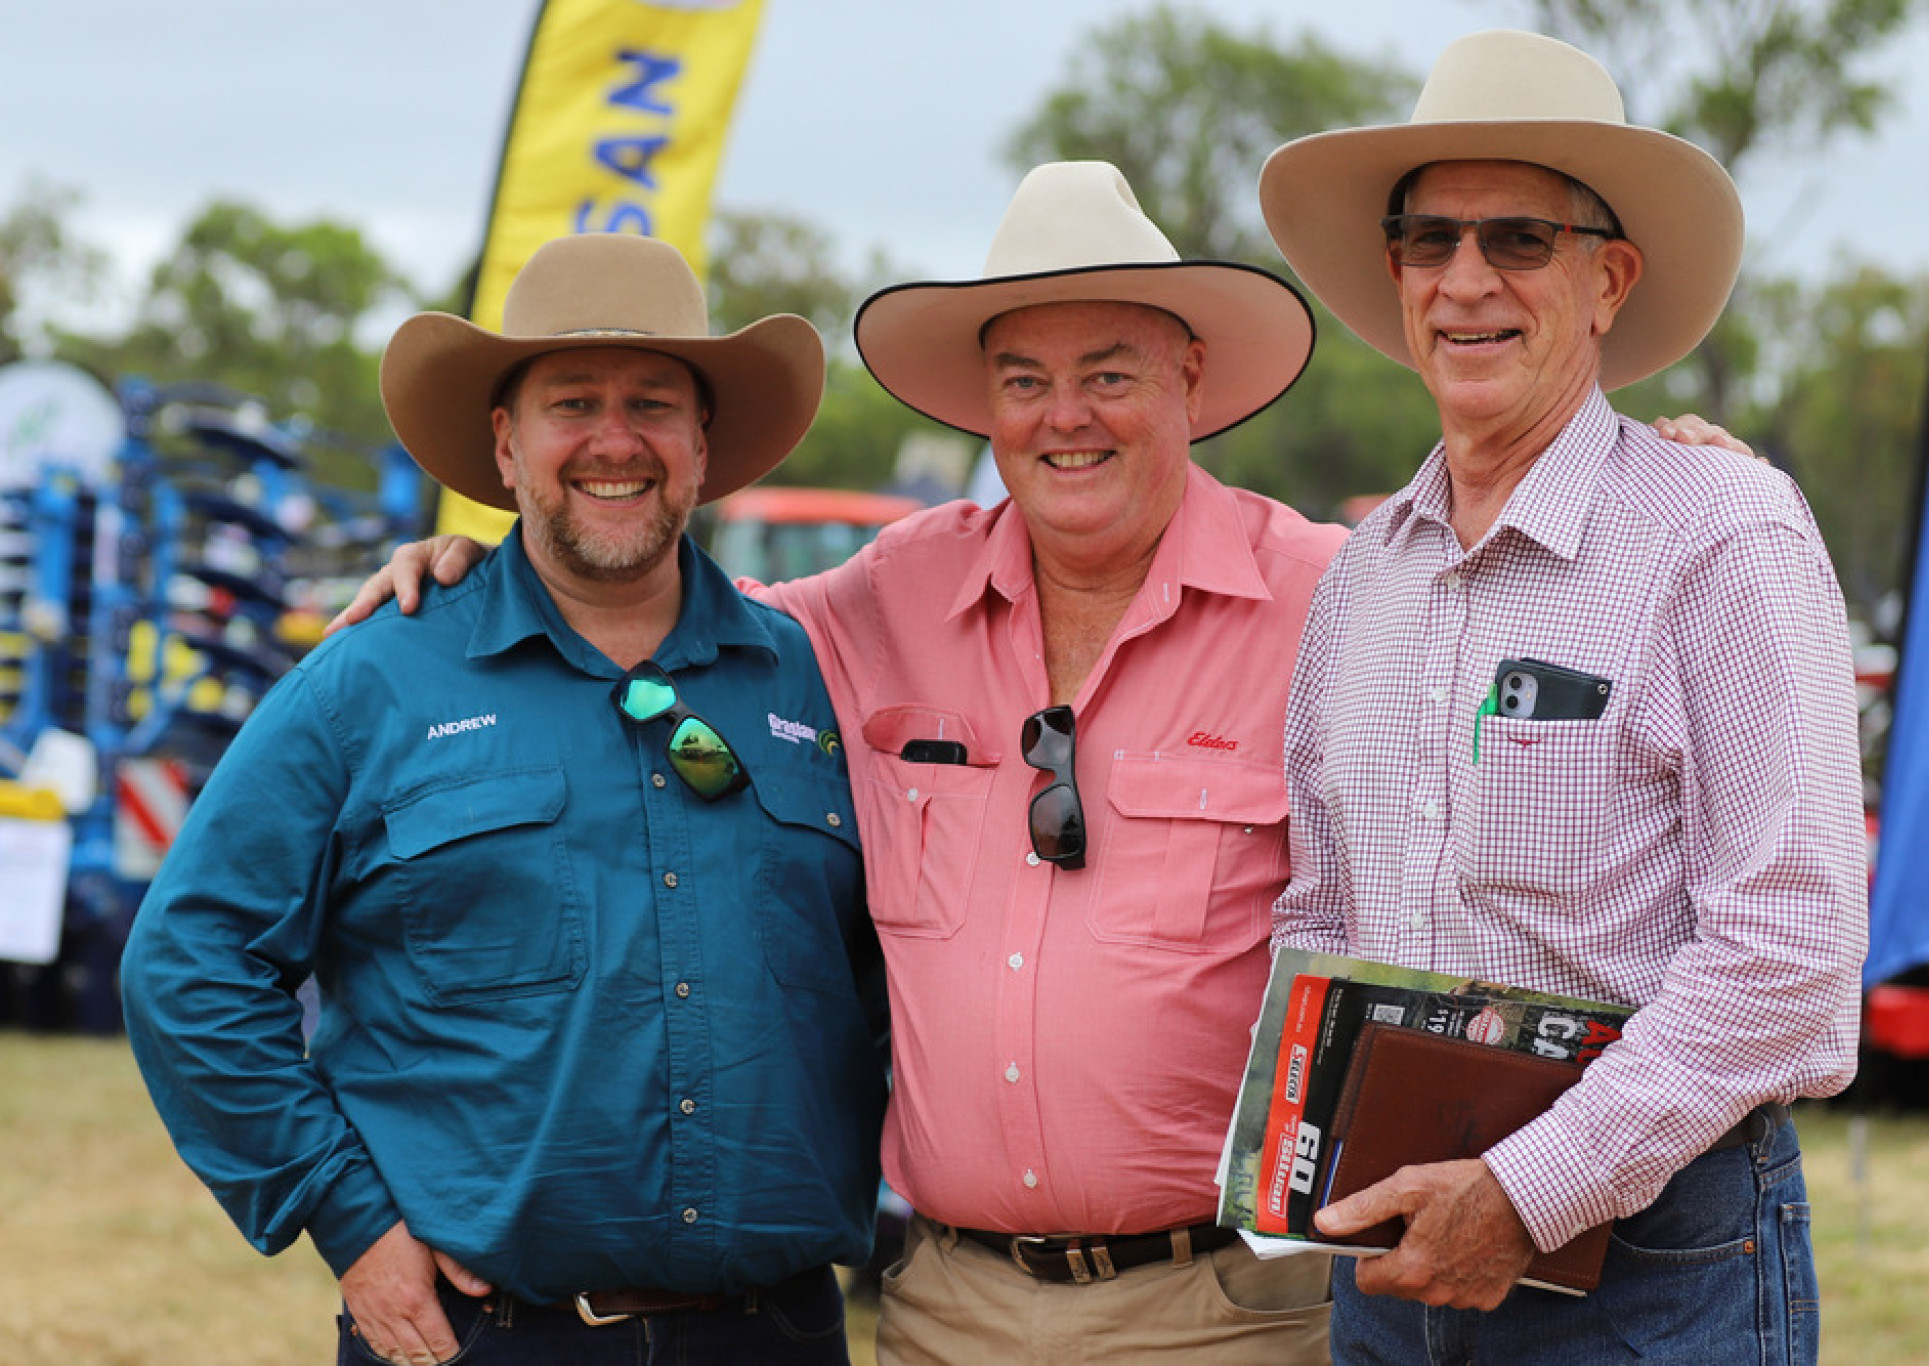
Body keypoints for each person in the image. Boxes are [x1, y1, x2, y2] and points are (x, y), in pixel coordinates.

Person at [337, 163, 1749, 1365]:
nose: (1064, 415)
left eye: (1109, 374)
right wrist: (486, 574)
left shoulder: (1344, 597)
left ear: (1191, 383)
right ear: (985, 406)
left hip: (1233, 1311)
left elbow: (1549, 600)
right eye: (1025, 379)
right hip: (943, 1306)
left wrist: (1655, 481)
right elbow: (636, 629)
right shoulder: (877, 602)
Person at [121, 233, 887, 1365]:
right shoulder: (372, 678)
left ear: (702, 440)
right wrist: (350, 1219)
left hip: (776, 1331)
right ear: (505, 440)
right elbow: (188, 961)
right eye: (571, 401)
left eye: (653, 403)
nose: (614, 441)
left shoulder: (820, 678)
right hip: (482, 1339)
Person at [1258, 30, 1868, 1364]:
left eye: (1520, 238)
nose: (1467, 279)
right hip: (1394, 1244)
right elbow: (1321, 905)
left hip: (1654, 1255)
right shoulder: (1363, 573)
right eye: (1429, 240)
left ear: (1609, 281)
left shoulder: (1722, 535)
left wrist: (1528, 1192)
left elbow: (1790, 947)